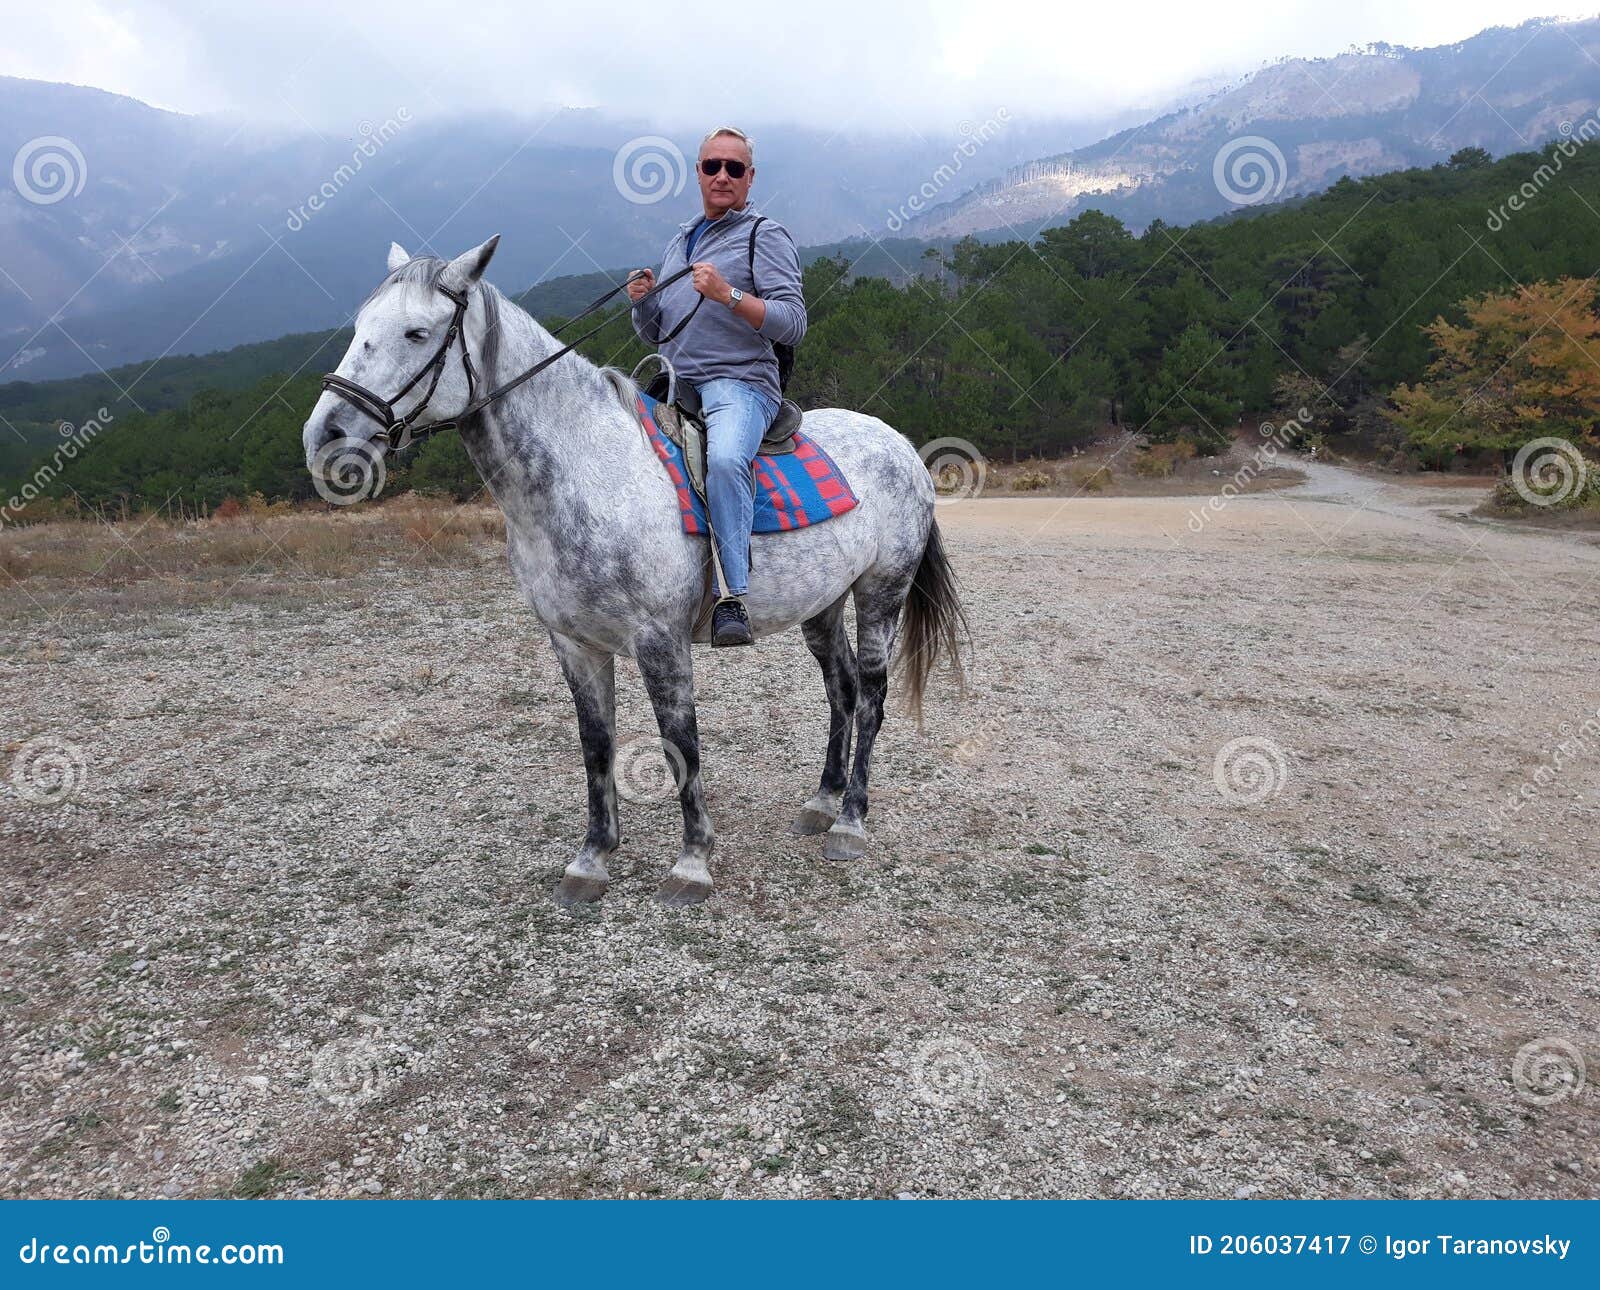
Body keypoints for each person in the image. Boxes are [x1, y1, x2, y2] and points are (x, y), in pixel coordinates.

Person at [628, 126, 807, 647]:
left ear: (750, 177)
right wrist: (642, 302)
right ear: (699, 174)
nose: (722, 176)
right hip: (676, 382)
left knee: (726, 460)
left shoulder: (764, 235)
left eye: (734, 167)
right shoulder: (680, 241)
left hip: (741, 382)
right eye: (713, 166)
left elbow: (793, 322)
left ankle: (732, 597)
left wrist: (728, 294)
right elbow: (658, 333)